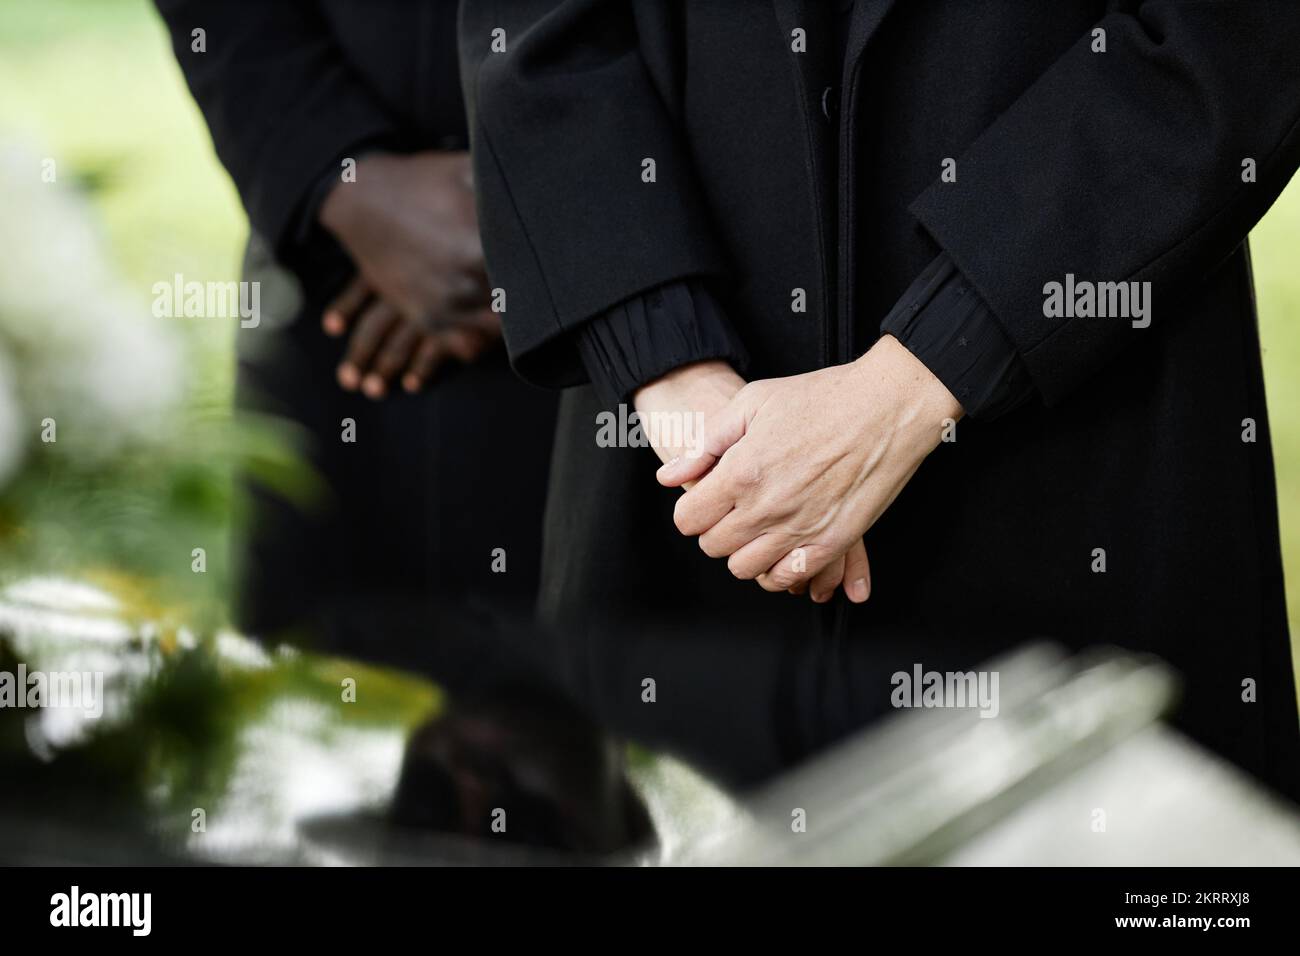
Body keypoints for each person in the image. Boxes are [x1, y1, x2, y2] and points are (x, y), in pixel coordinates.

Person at [460, 0, 1300, 798]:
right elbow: (534, 28)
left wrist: (920, 377)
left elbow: (1234, 33)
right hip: (682, 495)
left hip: (1085, 436)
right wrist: (676, 382)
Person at [154, 0, 557, 647]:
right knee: (321, 696)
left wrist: (589, 220)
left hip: (652, 292)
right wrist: (333, 170)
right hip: (337, 270)